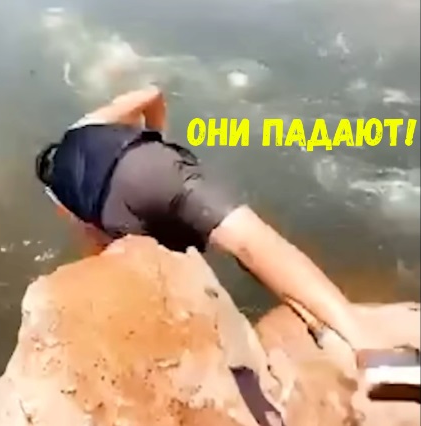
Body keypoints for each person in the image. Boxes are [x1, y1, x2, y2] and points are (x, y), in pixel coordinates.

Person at [35, 86, 384, 354]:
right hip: (150, 167)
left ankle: (214, 332)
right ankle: (362, 344)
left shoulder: (60, 197)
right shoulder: (84, 126)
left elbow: (96, 246)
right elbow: (152, 94)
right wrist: (157, 137)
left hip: (118, 217)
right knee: (249, 243)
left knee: (183, 262)